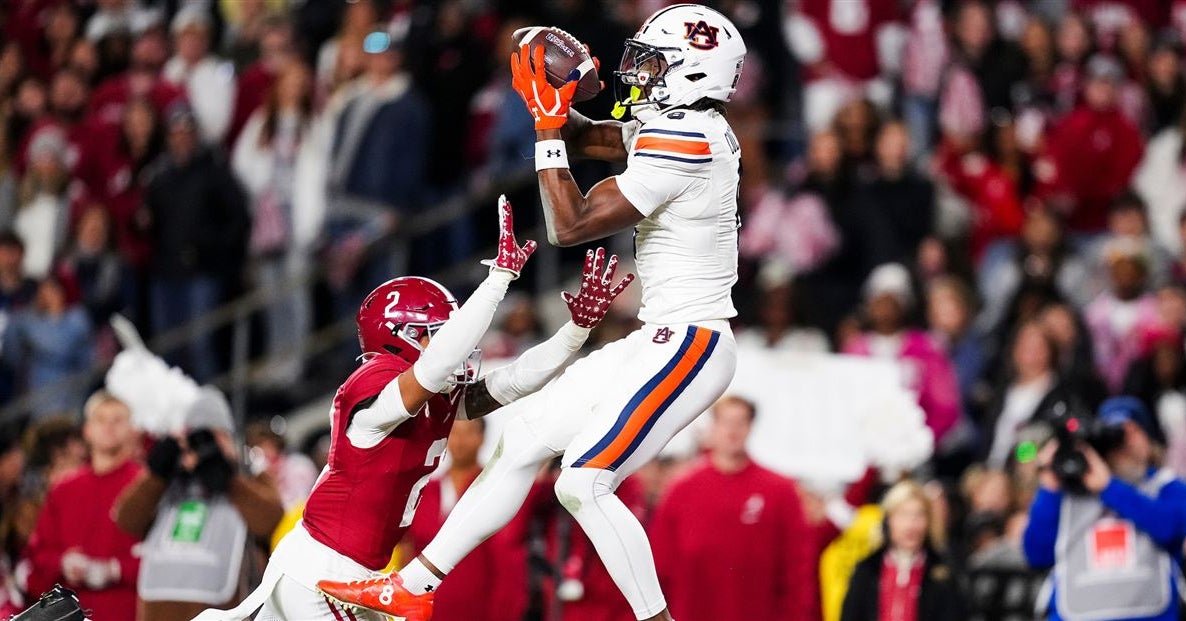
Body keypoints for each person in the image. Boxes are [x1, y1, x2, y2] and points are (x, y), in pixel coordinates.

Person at [319, 7, 744, 621]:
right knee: (520, 440)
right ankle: (413, 585)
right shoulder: (689, 126)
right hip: (662, 336)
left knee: (582, 482)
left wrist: (547, 129)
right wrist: (550, 99)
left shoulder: (686, 138)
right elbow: (593, 136)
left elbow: (569, 225)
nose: (642, 75)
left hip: (692, 342)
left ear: (693, 75)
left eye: (657, 64)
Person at [195, 199, 631, 621]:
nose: (455, 346)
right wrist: (497, 280)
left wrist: (575, 333)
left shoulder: (433, 396)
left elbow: (512, 382)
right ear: (399, 336)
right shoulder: (375, 384)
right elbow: (436, 363)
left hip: (350, 576)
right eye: (435, 333)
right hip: (324, 575)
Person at [113, 386, 284, 621]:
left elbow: (269, 521)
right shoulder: (169, 479)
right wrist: (156, 475)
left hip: (224, 608)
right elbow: (126, 521)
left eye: (212, 437)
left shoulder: (250, 473)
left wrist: (229, 480)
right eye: (196, 438)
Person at [649, 396, 817, 621]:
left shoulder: (780, 491)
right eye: (726, 422)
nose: (733, 431)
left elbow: (798, 569)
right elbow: (659, 567)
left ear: (750, 427)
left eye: (740, 422)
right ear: (714, 427)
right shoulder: (681, 491)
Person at [1024, 397, 1186, 621]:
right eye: (1116, 433)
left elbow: (1171, 528)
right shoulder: (1069, 493)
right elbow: (1037, 554)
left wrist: (1109, 487)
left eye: (1133, 431)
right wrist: (1050, 488)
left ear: (1150, 442)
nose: (1124, 441)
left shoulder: (1167, 487)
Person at [142, 102, 249, 382]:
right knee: (169, 351)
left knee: (201, 348)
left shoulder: (215, 172)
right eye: (175, 132)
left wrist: (211, 251)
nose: (181, 137)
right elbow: (149, 222)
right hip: (166, 273)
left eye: (187, 131)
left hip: (203, 272)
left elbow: (238, 220)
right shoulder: (159, 176)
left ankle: (209, 416)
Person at [22, 392, 142, 620]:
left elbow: (166, 558)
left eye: (117, 420)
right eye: (101, 419)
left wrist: (115, 570)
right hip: (70, 613)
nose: (108, 427)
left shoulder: (146, 488)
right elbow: (37, 557)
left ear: (132, 430)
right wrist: (63, 563)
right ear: (87, 430)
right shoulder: (63, 489)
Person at [404, 418, 529, 621]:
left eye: (468, 433)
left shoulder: (494, 490)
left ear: (481, 438)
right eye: (455, 433)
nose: (460, 441)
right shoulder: (425, 492)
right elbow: (409, 550)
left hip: (480, 609)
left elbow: (509, 561)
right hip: (428, 609)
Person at [840, 481, 963, 620]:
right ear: (888, 521)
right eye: (903, 515)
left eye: (918, 515)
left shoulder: (942, 573)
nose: (911, 525)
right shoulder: (867, 570)